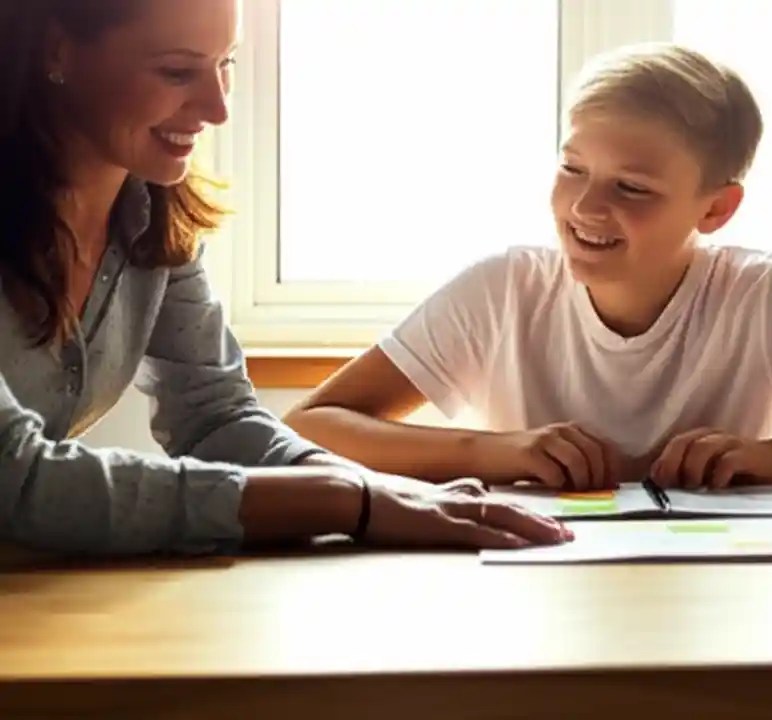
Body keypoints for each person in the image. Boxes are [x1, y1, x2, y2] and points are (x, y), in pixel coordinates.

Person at [285, 43, 772, 491]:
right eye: (572, 168)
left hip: (718, 595)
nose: (585, 207)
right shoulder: (502, 290)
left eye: (631, 188)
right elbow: (313, 425)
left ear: (716, 211)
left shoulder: (756, 297)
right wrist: (499, 451)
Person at [0, 0, 571, 555]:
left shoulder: (154, 215)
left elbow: (215, 418)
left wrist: (371, 488)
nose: (218, 108)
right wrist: (342, 500)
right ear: (59, 50)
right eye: (177, 71)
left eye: (225, 64)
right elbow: (16, 480)